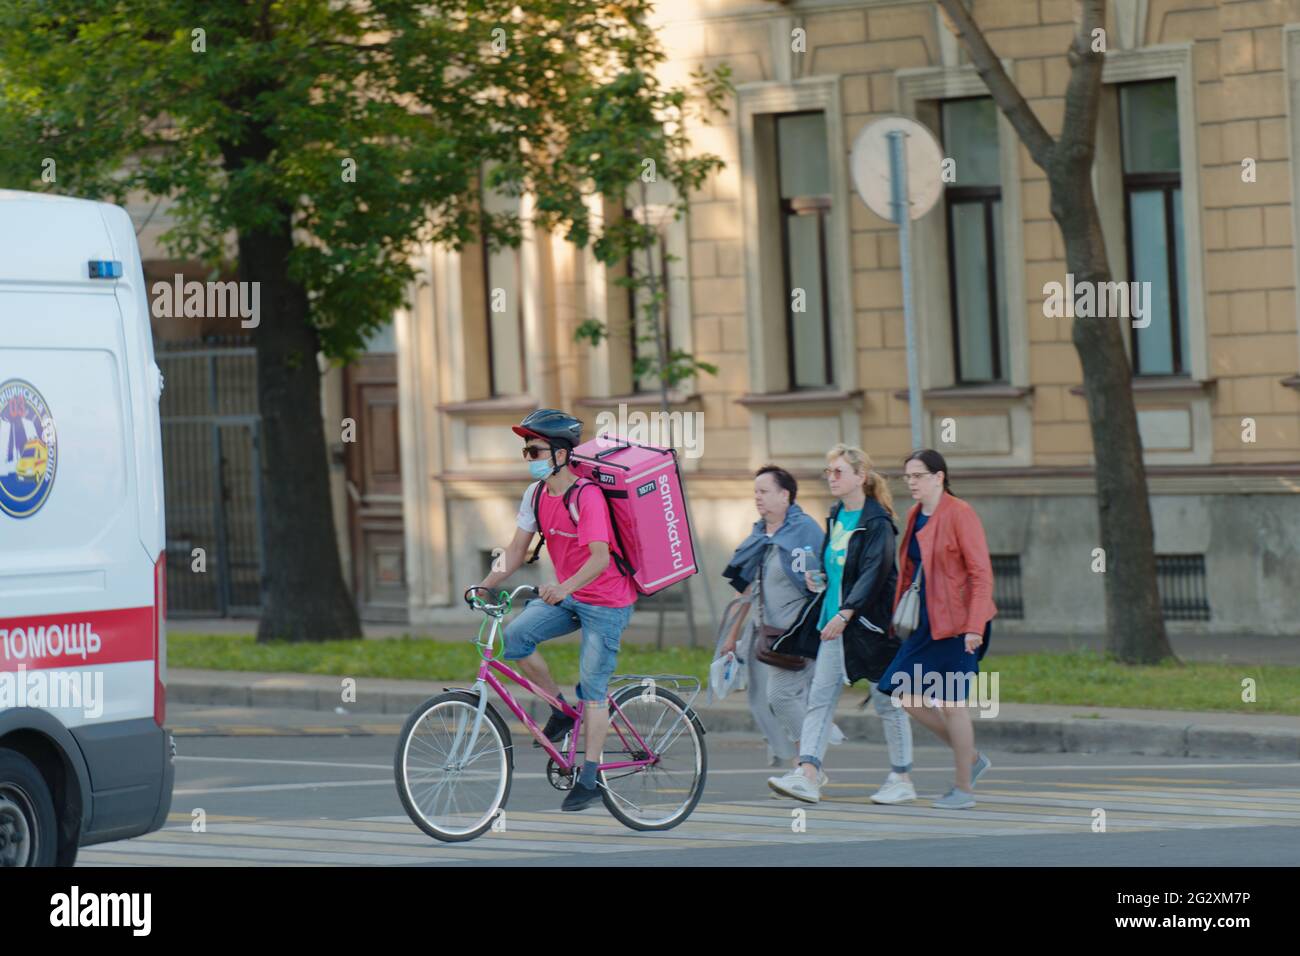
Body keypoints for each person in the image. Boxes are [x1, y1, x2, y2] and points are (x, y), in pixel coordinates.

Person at [473, 409, 637, 813]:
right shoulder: (535, 495)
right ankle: (560, 711)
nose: (529, 458)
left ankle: (590, 776)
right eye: (526, 452)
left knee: (593, 688)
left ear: (562, 454)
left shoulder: (587, 496)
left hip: (606, 600)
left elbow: (600, 558)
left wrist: (563, 587)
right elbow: (514, 552)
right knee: (515, 636)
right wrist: (485, 585)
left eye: (535, 450)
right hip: (568, 596)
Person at [766, 444, 916, 805]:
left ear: (860, 477)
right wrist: (821, 581)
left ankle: (902, 778)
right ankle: (808, 774)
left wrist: (846, 612)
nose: (831, 478)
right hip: (833, 625)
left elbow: (874, 574)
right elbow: (839, 568)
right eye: (828, 472)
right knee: (819, 699)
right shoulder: (835, 515)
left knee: (886, 701)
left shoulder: (878, 522)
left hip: (869, 629)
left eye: (838, 472)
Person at [878, 449, 996, 810]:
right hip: (927, 623)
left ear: (938, 477)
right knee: (903, 691)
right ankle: (971, 757)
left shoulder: (960, 514)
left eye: (917, 475)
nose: (910, 482)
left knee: (951, 705)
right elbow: (912, 571)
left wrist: (974, 626)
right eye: (907, 477)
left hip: (959, 624)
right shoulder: (916, 516)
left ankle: (964, 789)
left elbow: (980, 574)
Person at [720, 465, 842, 776]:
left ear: (785, 495)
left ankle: (807, 765)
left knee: (781, 697)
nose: (757, 498)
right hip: (764, 635)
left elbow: (823, 583)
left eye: (764, 491)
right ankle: (801, 762)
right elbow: (749, 589)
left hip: (797, 634)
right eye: (755, 492)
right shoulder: (759, 535)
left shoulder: (806, 532)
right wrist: (732, 635)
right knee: (761, 701)